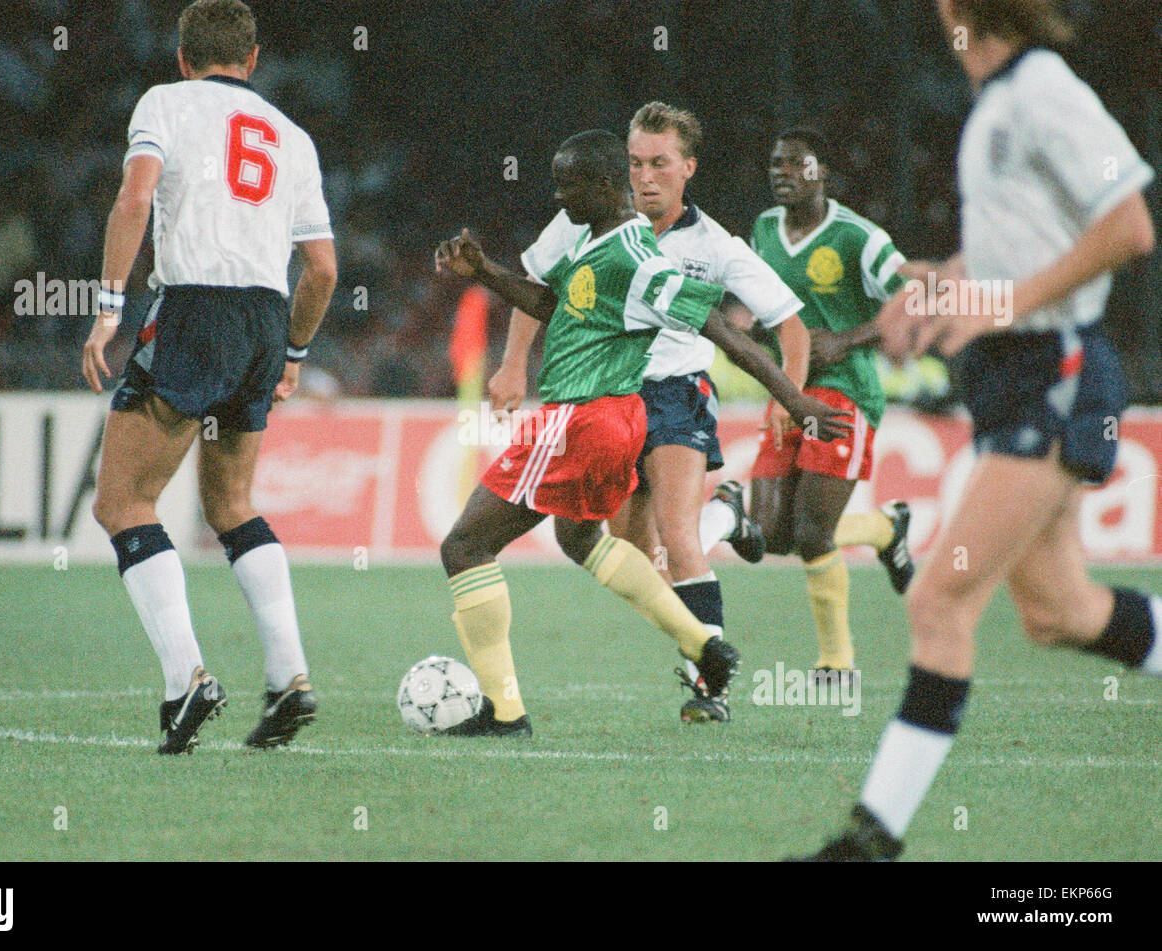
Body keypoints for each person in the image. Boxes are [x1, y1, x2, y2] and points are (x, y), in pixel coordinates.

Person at [799, 0, 1158, 860]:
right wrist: (943, 285)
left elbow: (1129, 225)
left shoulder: (1043, 90)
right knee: (1060, 611)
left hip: (1057, 373)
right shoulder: (997, 105)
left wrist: (999, 303)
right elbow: (1028, 246)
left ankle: (871, 839)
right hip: (1014, 377)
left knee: (939, 597)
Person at [433, 129, 851, 737]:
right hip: (613, 418)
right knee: (583, 541)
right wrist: (484, 271)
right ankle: (704, 646)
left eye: (568, 184)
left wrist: (793, 397)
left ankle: (505, 712)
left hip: (582, 418)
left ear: (605, 188)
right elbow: (555, 305)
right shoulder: (597, 240)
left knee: (464, 547)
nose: (558, 194)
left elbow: (719, 329)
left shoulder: (637, 259)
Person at [80, 0, 337, 754]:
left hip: (193, 311)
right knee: (231, 503)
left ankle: (185, 679)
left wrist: (106, 309)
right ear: (253, 59)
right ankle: (290, 675)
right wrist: (291, 355)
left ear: (184, 57)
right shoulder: (293, 137)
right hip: (263, 318)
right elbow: (321, 270)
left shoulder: (163, 102)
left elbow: (134, 197)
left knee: (123, 501)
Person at [732, 127, 918, 680]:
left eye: (795, 163)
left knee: (813, 534)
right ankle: (886, 531)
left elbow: (915, 294)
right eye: (775, 162)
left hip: (844, 392)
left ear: (822, 172)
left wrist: (849, 338)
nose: (781, 171)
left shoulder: (858, 237)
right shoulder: (763, 230)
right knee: (769, 536)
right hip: (789, 389)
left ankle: (837, 663)